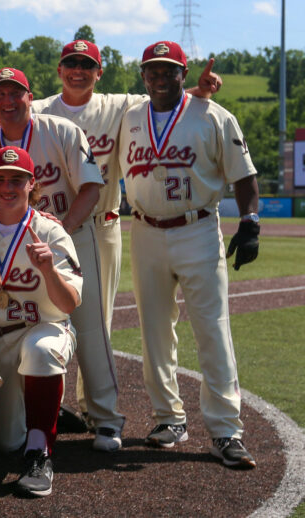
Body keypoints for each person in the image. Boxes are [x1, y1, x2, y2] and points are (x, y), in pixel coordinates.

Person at [29, 39, 221, 434]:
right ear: (59, 69)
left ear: (100, 72)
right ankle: (52, 403)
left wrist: (200, 92)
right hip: (44, 231)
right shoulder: (39, 109)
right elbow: (5, 122)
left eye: (87, 64)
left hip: (102, 225)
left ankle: (92, 409)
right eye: (71, 63)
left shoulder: (119, 105)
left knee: (97, 322)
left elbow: (165, 97)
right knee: (42, 316)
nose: (78, 70)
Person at [118, 40, 258, 469]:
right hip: (144, 230)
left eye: (169, 70)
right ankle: (168, 418)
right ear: (143, 76)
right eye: (152, 71)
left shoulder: (213, 115)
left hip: (197, 228)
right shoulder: (130, 117)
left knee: (212, 331)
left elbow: (244, 174)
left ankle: (225, 430)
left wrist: (250, 222)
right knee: (155, 331)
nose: (160, 78)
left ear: (184, 72)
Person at [0, 67, 123, 452]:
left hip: (67, 232)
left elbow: (91, 188)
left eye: (15, 94)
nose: (8, 102)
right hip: (7, 238)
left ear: (29, 96)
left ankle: (105, 419)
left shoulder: (61, 129)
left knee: (88, 327)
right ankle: (36, 410)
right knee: (14, 324)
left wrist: (62, 232)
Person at [0, 146, 84, 497]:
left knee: (42, 350)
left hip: (43, 327)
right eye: (0, 179)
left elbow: (69, 302)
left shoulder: (50, 231)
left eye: (16, 180)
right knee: (5, 443)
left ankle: (40, 452)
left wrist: (49, 270)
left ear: (31, 183)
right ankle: (42, 407)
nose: (8, 187)